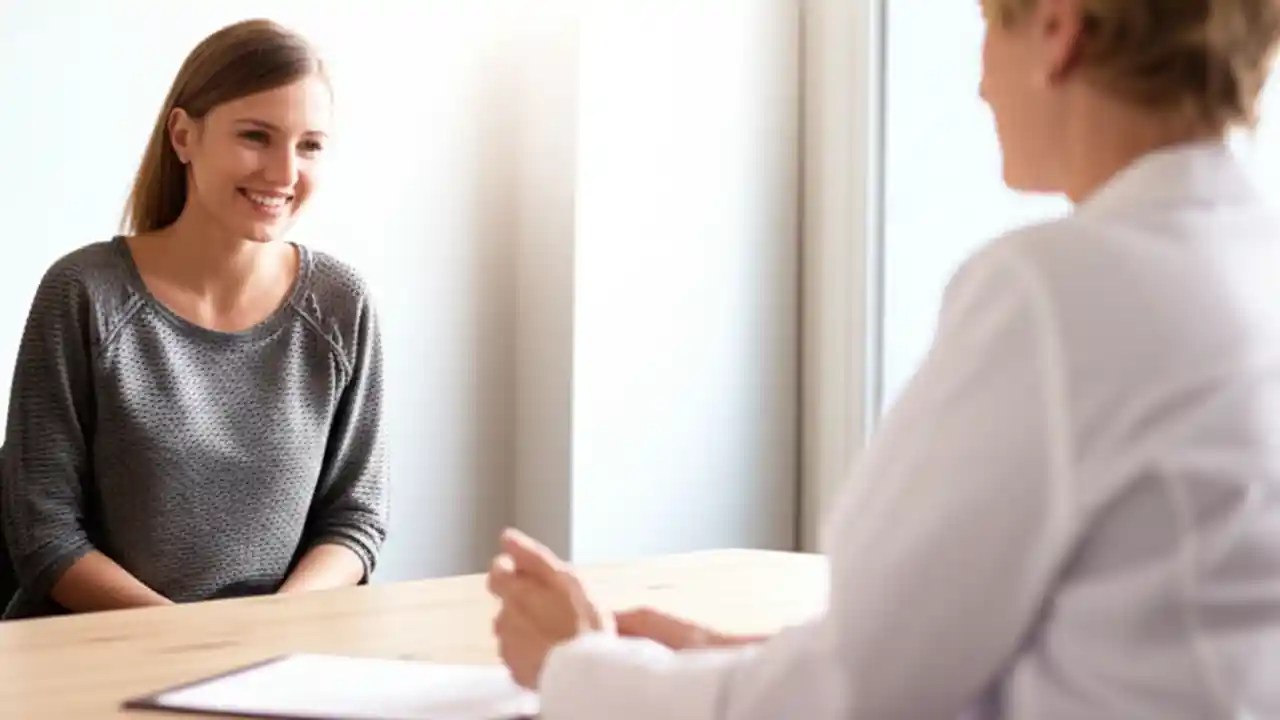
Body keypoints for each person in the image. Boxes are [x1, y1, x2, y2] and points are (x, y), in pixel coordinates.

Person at [487, 0, 1280, 716]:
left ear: (1057, 29)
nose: (979, 84)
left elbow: (855, 699)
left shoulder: (1058, 292)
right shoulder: (1251, 266)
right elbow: (1067, 645)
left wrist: (575, 668)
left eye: (987, 24)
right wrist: (710, 654)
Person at [0, 19, 388, 619]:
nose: (284, 173)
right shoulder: (83, 294)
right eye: (256, 136)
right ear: (184, 135)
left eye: (309, 145)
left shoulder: (342, 304)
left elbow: (355, 518)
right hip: (98, 651)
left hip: (275, 652)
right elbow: (42, 531)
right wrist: (188, 638)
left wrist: (268, 628)